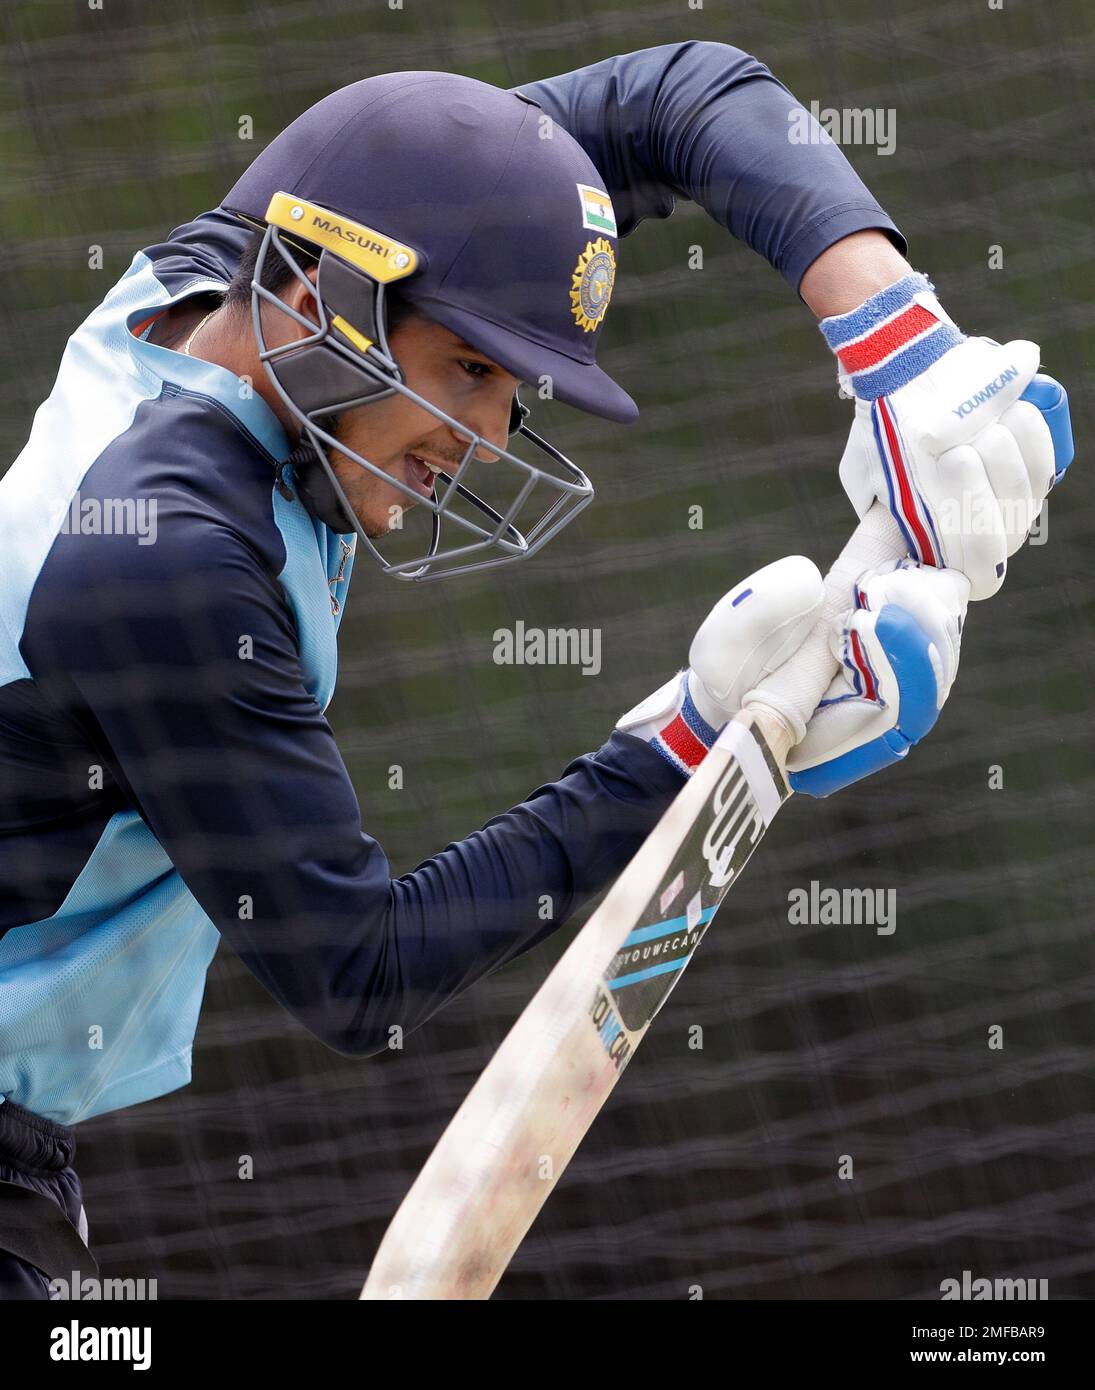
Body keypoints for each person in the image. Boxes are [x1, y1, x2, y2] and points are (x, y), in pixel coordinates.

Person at [0, 44, 1064, 1298]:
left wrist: (892, 332)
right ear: (318, 302)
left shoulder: (237, 269)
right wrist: (676, 746)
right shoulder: (170, 556)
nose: (493, 438)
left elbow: (686, 94)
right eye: (472, 371)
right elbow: (361, 972)